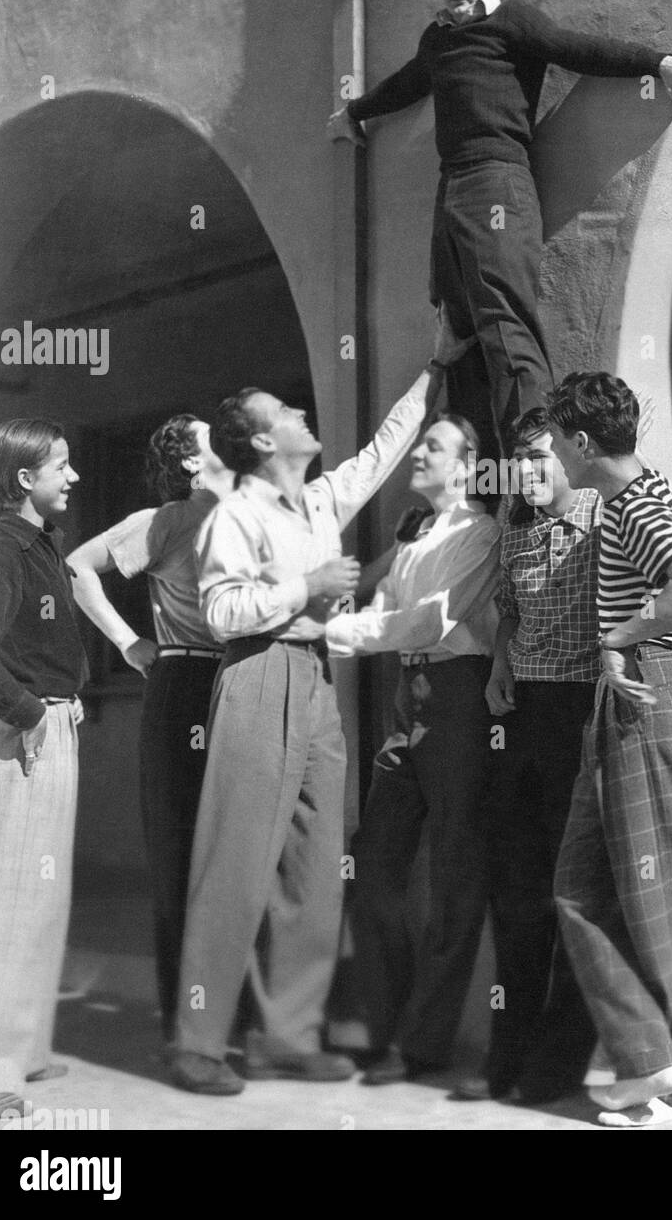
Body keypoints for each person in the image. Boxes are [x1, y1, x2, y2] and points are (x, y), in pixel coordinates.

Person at [170, 316, 468, 1096]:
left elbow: (381, 451)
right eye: (288, 414)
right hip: (258, 674)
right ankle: (199, 1040)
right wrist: (307, 588)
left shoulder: (315, 503)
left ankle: (287, 1037)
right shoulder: (234, 515)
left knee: (313, 869)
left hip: (314, 683)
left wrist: (434, 368)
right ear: (264, 443)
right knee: (237, 861)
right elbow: (223, 614)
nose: (304, 416)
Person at [328, 0, 672, 458]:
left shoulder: (512, 22)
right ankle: (479, 468)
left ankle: (534, 444)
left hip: (498, 180)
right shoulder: (439, 38)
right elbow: (412, 81)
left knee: (503, 314)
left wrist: (659, 64)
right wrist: (354, 112)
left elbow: (576, 49)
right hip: (452, 186)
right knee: (454, 319)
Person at [546, 372, 672, 1128]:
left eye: (559, 442)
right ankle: (654, 1057)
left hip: (643, 697)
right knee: (583, 886)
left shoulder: (632, 506)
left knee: (666, 896)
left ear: (584, 443)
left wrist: (625, 642)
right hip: (649, 691)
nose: (555, 457)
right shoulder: (656, 492)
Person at [324, 413, 499, 1085]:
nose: (418, 454)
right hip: (410, 696)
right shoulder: (414, 536)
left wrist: (335, 635)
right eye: (419, 443)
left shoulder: (480, 534)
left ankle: (422, 1045)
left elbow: (431, 619)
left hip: (460, 696)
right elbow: (388, 610)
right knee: (373, 863)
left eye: (434, 446)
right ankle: (384, 1024)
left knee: (456, 874)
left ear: (467, 464)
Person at [68, 415, 234, 1048]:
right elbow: (78, 568)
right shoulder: (164, 520)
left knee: (234, 856)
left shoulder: (250, 514)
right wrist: (129, 642)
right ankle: (184, 1025)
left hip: (243, 686)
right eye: (211, 435)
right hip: (184, 686)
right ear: (191, 463)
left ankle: (230, 1019)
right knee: (179, 857)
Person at [453, 406, 601, 1104]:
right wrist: (499, 663)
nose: (528, 472)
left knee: (575, 891)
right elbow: (509, 606)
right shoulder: (515, 530)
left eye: (542, 458)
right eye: (520, 461)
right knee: (517, 891)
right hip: (521, 719)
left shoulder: (606, 520)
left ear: (573, 456)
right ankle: (507, 1054)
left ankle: (559, 1062)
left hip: (582, 715)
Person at [0, 421, 86, 1120]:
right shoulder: (2, 556)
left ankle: (26, 1049)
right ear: (25, 479)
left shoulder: (40, 548)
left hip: (50, 725)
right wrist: (27, 713)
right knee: (7, 906)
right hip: (25, 733)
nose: (73, 477)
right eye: (62, 466)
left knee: (41, 902)